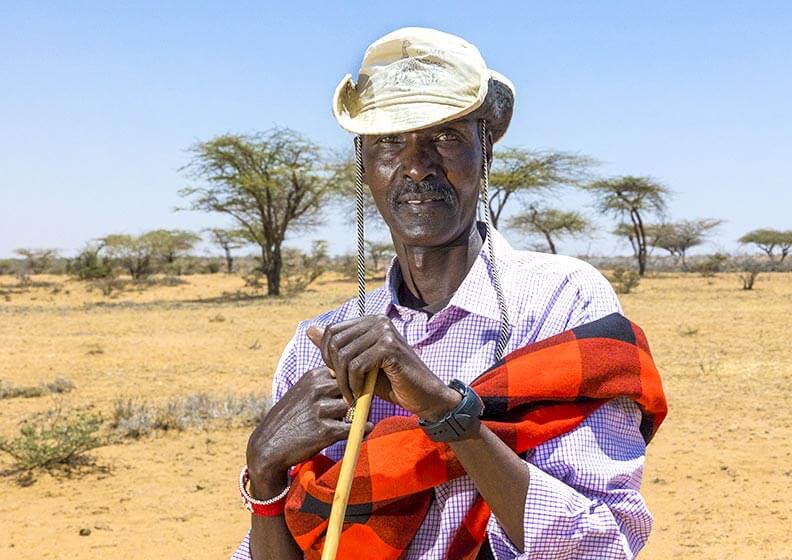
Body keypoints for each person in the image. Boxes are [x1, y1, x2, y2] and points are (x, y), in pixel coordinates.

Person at [233, 27, 665, 560]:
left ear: (485, 154)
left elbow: (598, 546)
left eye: (445, 137)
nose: (417, 165)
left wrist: (443, 409)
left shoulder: (561, 304)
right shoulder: (317, 347)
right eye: (390, 141)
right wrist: (266, 474)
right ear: (364, 164)